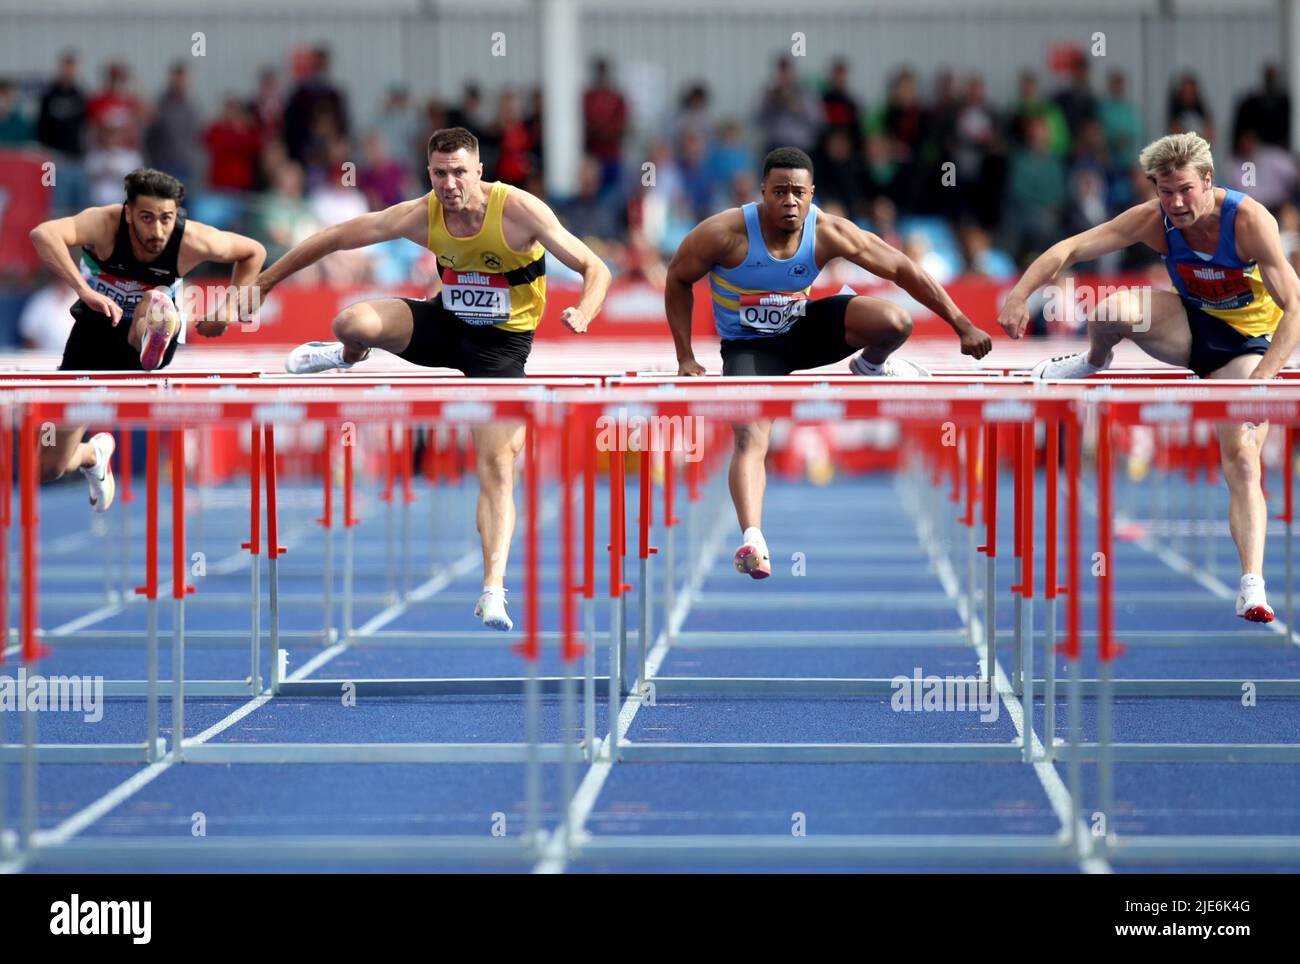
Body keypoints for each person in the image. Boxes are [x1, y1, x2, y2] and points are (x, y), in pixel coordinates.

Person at [254, 127, 612, 632]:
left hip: (501, 349)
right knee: (351, 321)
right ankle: (346, 354)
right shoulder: (421, 214)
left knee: (498, 468)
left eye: (460, 172)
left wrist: (585, 310)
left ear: (480, 171)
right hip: (445, 325)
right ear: (429, 173)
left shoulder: (518, 211)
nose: (449, 184)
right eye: (440, 173)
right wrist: (266, 282)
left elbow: (595, 266)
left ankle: (492, 590)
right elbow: (335, 237)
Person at [1001, 132, 1300, 623]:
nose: (1177, 203)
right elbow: (1070, 249)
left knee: (1243, 457)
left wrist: (1261, 384)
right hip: (1188, 326)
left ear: (1208, 181)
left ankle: (1251, 584)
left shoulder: (1249, 222)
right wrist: (1018, 295)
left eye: (1185, 190)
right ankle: (1093, 363)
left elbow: (1295, 310)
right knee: (1110, 311)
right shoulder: (1153, 220)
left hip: (1245, 348)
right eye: (1165, 192)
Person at [665, 146, 992, 579]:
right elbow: (677, 278)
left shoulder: (827, 232)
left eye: (798, 192)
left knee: (895, 322)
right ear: (762, 191)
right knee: (750, 434)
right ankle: (753, 539)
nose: (789, 201)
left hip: (803, 332)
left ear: (812, 193)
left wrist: (962, 324)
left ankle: (871, 365)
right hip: (750, 348)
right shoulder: (725, 233)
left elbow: (901, 267)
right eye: (778, 192)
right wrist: (685, 356)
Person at [27, 167, 266, 511]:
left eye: (166, 218)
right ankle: (94, 453)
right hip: (94, 330)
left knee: (152, 302)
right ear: (128, 213)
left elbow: (253, 252)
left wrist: (229, 308)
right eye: (147, 218)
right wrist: (83, 291)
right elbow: (43, 234)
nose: (157, 230)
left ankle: (150, 336)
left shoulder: (191, 240)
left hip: (150, 332)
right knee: (49, 467)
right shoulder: (104, 224)